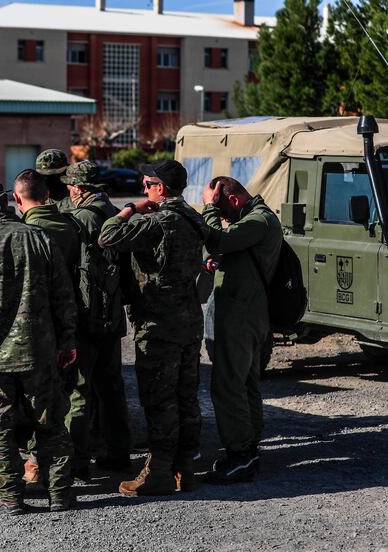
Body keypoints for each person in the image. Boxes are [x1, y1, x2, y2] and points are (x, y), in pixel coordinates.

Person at [0, 175, 78, 515]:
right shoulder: (39, 239)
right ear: (6, 202)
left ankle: (10, 497)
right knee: (51, 424)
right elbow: (64, 297)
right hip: (40, 351)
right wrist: (67, 341)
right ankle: (60, 495)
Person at [98, 159, 205, 496]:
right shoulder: (193, 217)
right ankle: (184, 469)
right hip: (189, 321)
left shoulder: (160, 222)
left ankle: (158, 472)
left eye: (147, 185)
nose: (144, 190)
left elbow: (108, 236)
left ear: (160, 188)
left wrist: (130, 209)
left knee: (159, 400)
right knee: (185, 397)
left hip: (159, 323)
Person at [201, 176, 282, 484]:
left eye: (221, 208)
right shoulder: (251, 220)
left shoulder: (259, 220)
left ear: (233, 200)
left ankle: (239, 457)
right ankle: (248, 447)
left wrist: (209, 209)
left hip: (241, 314)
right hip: (243, 309)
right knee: (244, 383)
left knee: (227, 385)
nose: (220, 216)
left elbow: (218, 239)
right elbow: (227, 249)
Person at [64, 160, 133, 477]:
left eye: (70, 186)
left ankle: (78, 460)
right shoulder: (114, 212)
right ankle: (119, 452)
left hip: (86, 315)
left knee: (80, 390)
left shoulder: (80, 220)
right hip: (111, 313)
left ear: (78, 188)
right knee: (112, 387)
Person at [13, 169, 82, 484]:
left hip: (31, 327)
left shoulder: (25, 233)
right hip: (69, 322)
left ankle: (35, 465)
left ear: (18, 198)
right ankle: (68, 462)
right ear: (47, 195)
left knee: (31, 400)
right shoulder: (72, 225)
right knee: (61, 397)